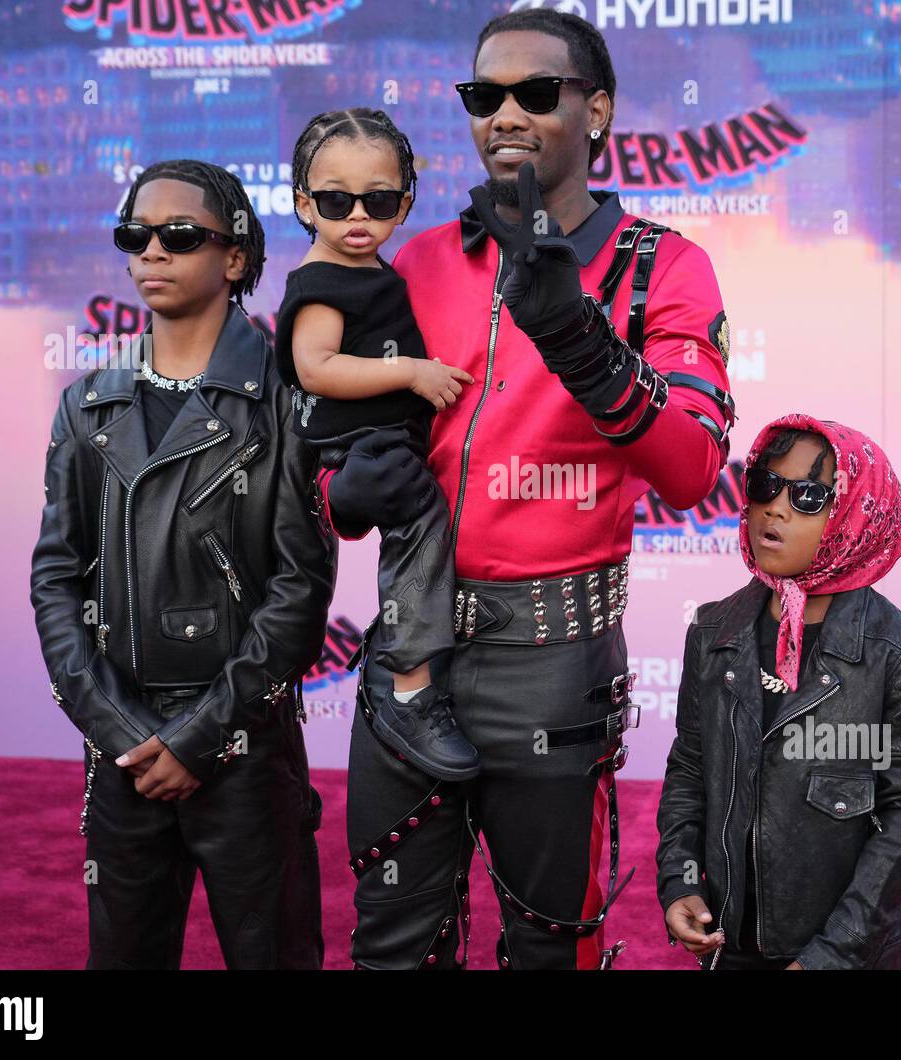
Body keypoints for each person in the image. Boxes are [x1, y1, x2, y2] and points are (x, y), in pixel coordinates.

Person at [318, 8, 736, 969]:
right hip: (406, 656)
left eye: (536, 92)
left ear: (597, 112)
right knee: (392, 946)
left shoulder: (665, 267)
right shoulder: (416, 262)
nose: (505, 112)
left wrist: (579, 337)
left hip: (554, 662)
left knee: (551, 953)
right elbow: (330, 457)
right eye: (484, 95)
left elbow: (692, 469)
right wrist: (337, 490)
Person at [30, 159, 335, 969]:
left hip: (245, 746)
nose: (151, 252)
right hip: (122, 750)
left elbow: (300, 592)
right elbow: (56, 579)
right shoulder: (88, 401)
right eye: (136, 234)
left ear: (235, 258)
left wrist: (199, 740)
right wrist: (124, 734)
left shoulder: (286, 397)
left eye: (179, 235)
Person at [655, 413, 901, 970]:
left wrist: (832, 953)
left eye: (809, 497)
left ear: (853, 516)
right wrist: (680, 883)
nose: (775, 508)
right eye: (765, 485)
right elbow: (691, 770)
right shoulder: (713, 631)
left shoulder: (900, 652)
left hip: (846, 955)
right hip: (730, 949)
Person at [275, 109, 479, 782]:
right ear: (304, 203)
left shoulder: (366, 270)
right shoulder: (320, 282)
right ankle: (411, 685)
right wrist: (411, 374)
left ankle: (413, 674)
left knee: (415, 540)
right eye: (336, 201)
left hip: (370, 456)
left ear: (406, 202)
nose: (357, 215)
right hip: (363, 452)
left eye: (379, 200)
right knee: (424, 532)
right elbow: (315, 367)